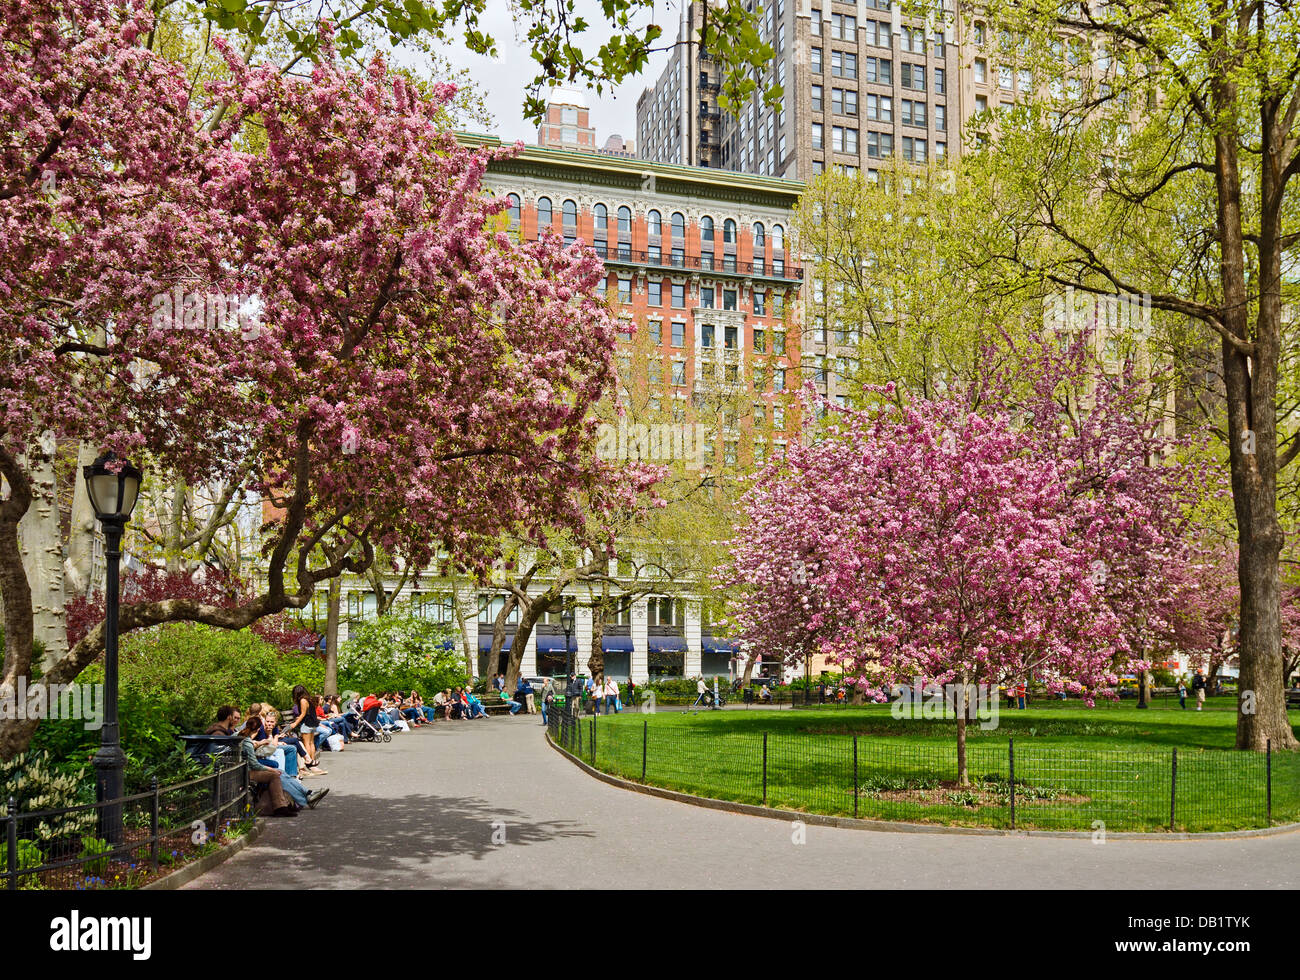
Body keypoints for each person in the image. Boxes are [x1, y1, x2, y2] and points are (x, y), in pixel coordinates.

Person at [287, 685, 325, 771]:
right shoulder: (309, 699)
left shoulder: (303, 700)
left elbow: (303, 714)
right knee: (311, 743)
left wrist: (295, 723)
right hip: (313, 723)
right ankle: (312, 762)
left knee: (307, 743)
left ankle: (309, 762)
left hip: (307, 723)